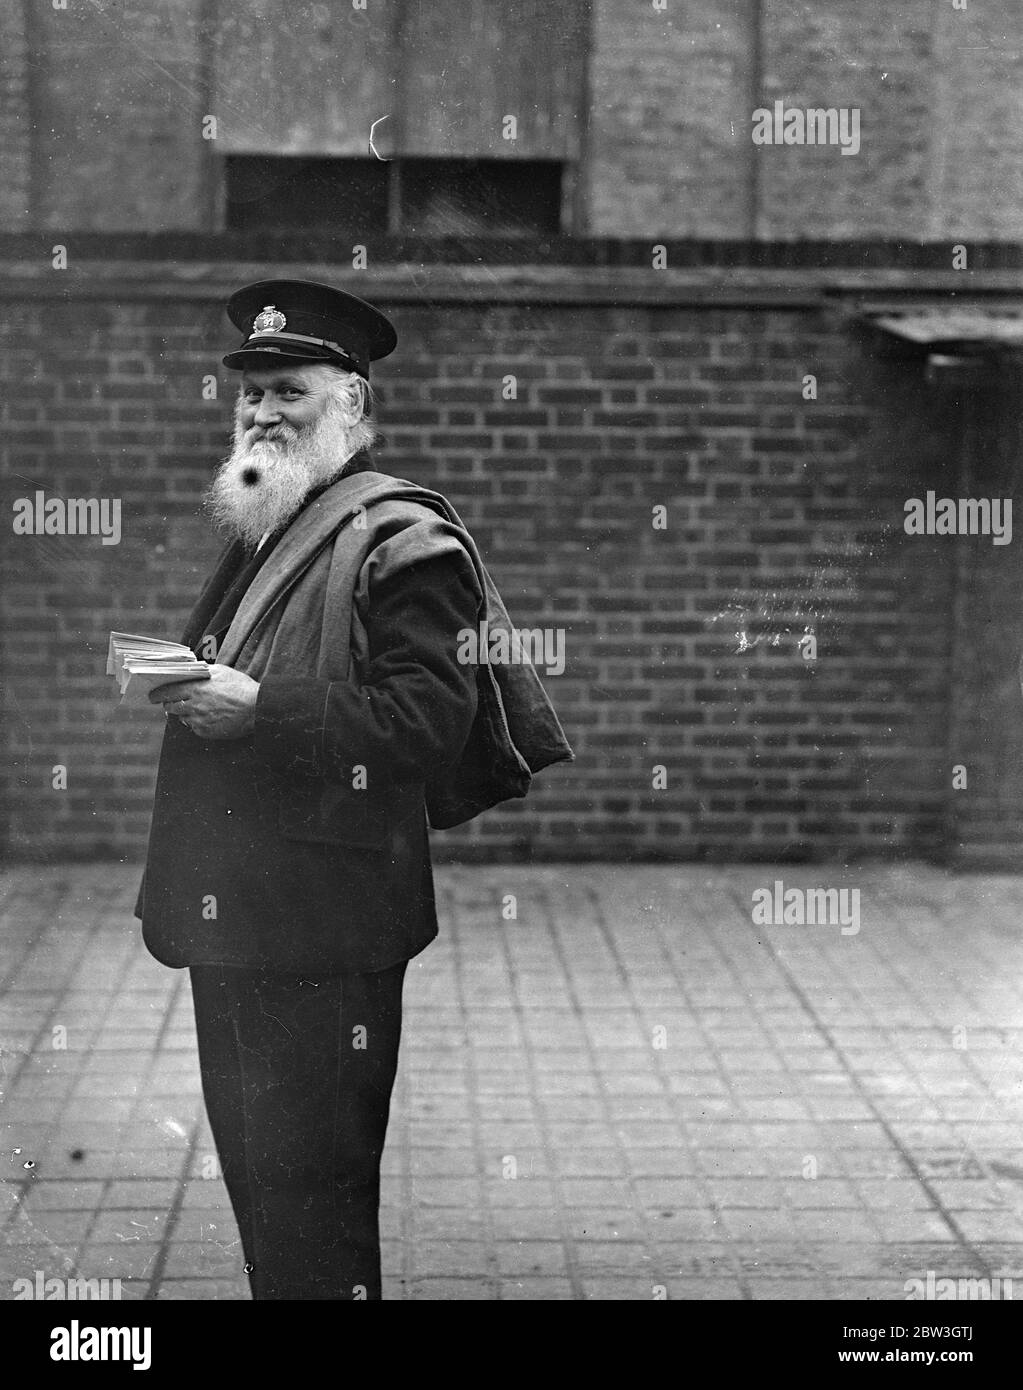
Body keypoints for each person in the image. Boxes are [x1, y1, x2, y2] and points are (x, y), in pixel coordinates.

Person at [134, 278, 571, 1300]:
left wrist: (260, 709)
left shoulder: (402, 539)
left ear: (352, 407)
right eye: (248, 395)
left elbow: (426, 725)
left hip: (324, 934)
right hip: (238, 919)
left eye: (289, 390)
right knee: (265, 1197)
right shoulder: (268, 523)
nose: (262, 414)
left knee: (314, 1207)